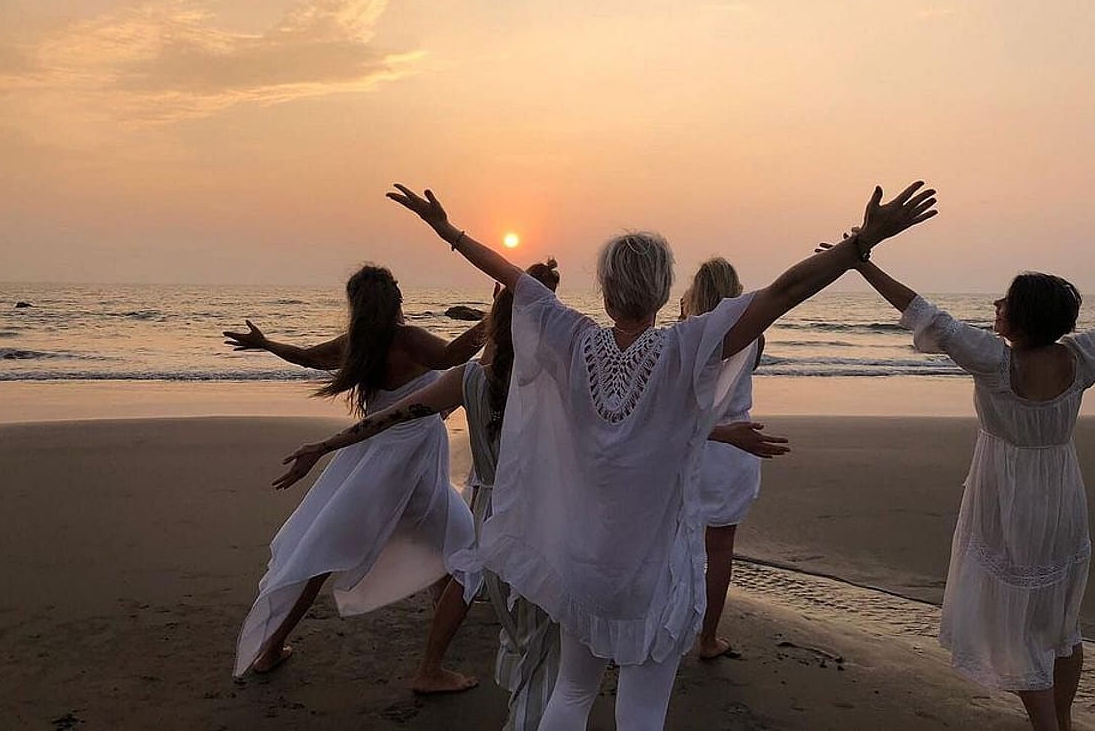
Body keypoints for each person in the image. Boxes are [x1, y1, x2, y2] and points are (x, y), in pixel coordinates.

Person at [387, 180, 936, 729]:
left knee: (572, 692)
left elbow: (511, 278)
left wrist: (447, 230)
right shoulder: (686, 348)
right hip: (654, 572)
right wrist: (861, 242)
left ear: (604, 292)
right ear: (664, 290)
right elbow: (783, 292)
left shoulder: (572, 339)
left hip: (583, 561)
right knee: (642, 708)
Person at [280, 260, 788, 730]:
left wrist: (326, 444)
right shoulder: (553, 380)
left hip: (489, 522)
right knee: (552, 669)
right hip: (540, 528)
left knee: (537, 655)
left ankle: (451, 675)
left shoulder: (470, 378)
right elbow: (636, 430)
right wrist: (718, 432)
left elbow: (397, 415)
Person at [828, 246, 1095, 731]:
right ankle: (1063, 720)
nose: (996, 306)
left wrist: (861, 264)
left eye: (1005, 302)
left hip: (1009, 499)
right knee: (1060, 623)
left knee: (1020, 627)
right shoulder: (1085, 354)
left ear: (1024, 318)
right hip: (1062, 496)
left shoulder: (994, 362)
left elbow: (924, 314)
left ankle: (1048, 727)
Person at [232, 264, 487, 695]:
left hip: (366, 461)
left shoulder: (358, 345)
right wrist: (499, 312)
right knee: (467, 554)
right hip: (409, 467)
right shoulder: (407, 340)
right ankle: (431, 669)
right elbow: (452, 358)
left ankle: (271, 647)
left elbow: (307, 357)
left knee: (323, 552)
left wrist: (265, 344)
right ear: (396, 299)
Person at [681, 258, 766, 661]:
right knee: (720, 548)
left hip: (693, 441)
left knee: (676, 543)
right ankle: (708, 636)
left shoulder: (688, 334)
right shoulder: (754, 335)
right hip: (736, 442)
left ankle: (670, 624)